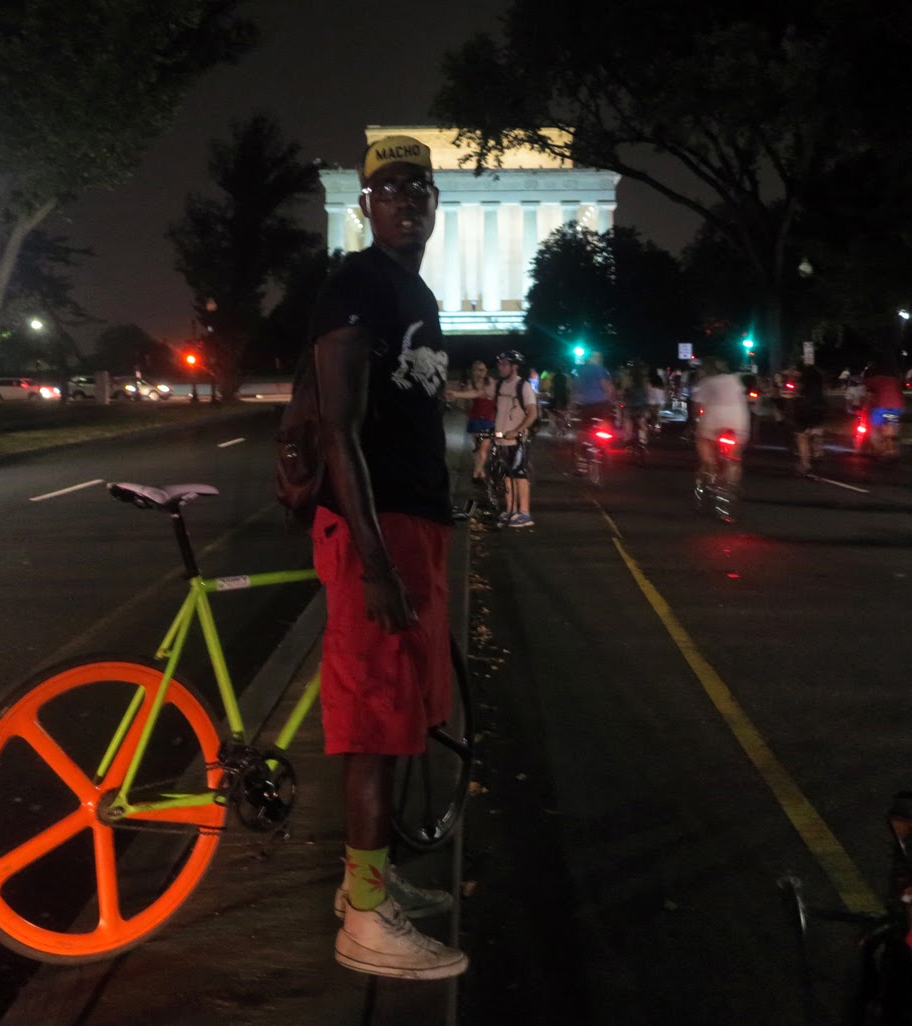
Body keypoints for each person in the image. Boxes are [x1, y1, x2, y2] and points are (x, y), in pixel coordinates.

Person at [308, 133, 467, 980]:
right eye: (392, 187)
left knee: (402, 714)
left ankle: (365, 883)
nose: (410, 199)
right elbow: (339, 430)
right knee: (372, 726)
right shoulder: (357, 283)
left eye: (422, 188)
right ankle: (364, 923)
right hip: (378, 534)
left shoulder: (417, 290)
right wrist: (374, 559)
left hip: (417, 523)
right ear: (365, 204)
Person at [492, 349, 538, 526]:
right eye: (499, 364)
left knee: (520, 475)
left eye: (504, 364)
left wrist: (518, 431)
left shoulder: (523, 386)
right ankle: (510, 510)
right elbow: (481, 393)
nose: (500, 367)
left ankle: (524, 513)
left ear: (514, 367)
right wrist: (455, 394)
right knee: (505, 476)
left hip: (517, 440)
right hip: (501, 439)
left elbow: (532, 413)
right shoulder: (499, 385)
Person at [691, 357, 751, 488]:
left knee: (703, 441)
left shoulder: (706, 382)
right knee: (735, 457)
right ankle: (730, 487)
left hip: (713, 419)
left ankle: (709, 465)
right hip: (738, 419)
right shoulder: (736, 379)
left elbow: (697, 407)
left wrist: (695, 420)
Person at [445, 360, 495, 482]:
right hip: (475, 419)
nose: (483, 372)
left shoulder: (490, 382)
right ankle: (479, 471)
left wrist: (457, 394)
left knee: (483, 448)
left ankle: (477, 472)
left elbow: (480, 394)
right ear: (474, 371)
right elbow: (467, 403)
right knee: (477, 448)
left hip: (489, 419)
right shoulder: (470, 385)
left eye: (484, 369)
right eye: (480, 369)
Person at [788, 361, 827, 474]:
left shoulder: (803, 378)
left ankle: (805, 463)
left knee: (802, 437)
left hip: (805, 407)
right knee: (817, 428)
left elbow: (795, 392)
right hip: (819, 406)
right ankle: (817, 450)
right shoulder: (818, 378)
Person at [863, 362, 904, 459]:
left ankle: (880, 450)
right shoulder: (895, 380)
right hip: (896, 408)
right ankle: (893, 449)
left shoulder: (874, 379)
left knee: (874, 429)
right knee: (892, 428)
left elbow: (867, 393)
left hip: (881, 408)